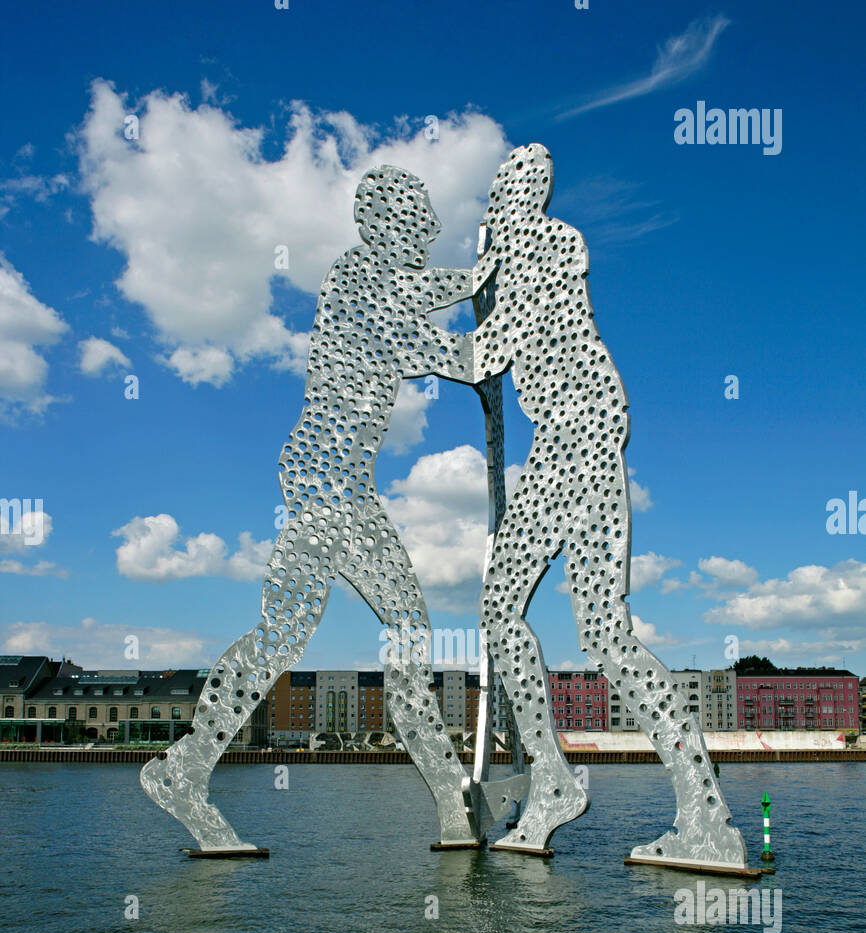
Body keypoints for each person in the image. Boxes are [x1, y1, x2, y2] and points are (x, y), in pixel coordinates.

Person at [142, 167, 493, 852]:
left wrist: (482, 273)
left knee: (280, 637)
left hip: (321, 479)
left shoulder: (373, 279)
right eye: (418, 217)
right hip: (333, 484)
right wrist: (515, 330)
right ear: (383, 224)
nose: (430, 228)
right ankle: (453, 804)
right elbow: (448, 354)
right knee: (411, 632)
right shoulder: (360, 284)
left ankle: (184, 768)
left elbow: (430, 288)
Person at [470, 144, 748, 869]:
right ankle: (702, 814)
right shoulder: (551, 248)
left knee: (504, 611)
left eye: (498, 201)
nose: (495, 214)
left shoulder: (538, 252)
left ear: (511, 203)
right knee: (604, 633)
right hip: (588, 437)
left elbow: (481, 357)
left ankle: (558, 781)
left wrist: (416, 326)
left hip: (571, 442)